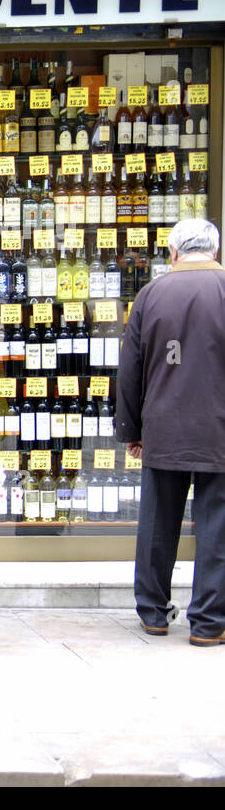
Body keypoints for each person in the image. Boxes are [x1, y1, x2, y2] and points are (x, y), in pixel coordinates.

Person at [117, 218, 225, 646]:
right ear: (214, 251)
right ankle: (210, 621)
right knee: (217, 525)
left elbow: (131, 369)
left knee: (158, 523)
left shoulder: (152, 293)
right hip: (218, 429)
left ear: (173, 252)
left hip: (164, 425)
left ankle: (153, 612)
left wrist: (132, 428)